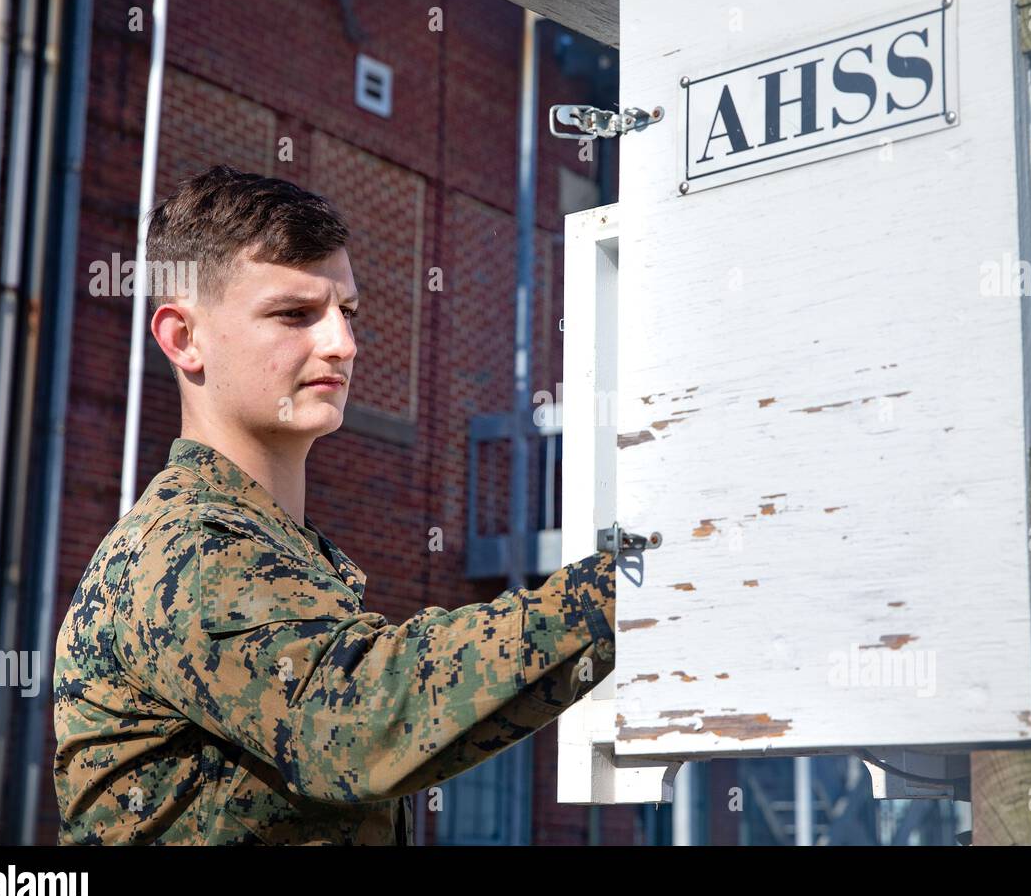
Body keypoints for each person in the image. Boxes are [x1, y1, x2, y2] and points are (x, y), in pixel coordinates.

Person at [53, 165, 616, 844]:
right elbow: (358, 720)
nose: (342, 344)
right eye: (295, 314)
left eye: (346, 313)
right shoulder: (188, 546)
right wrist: (621, 591)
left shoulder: (273, 548)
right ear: (183, 338)